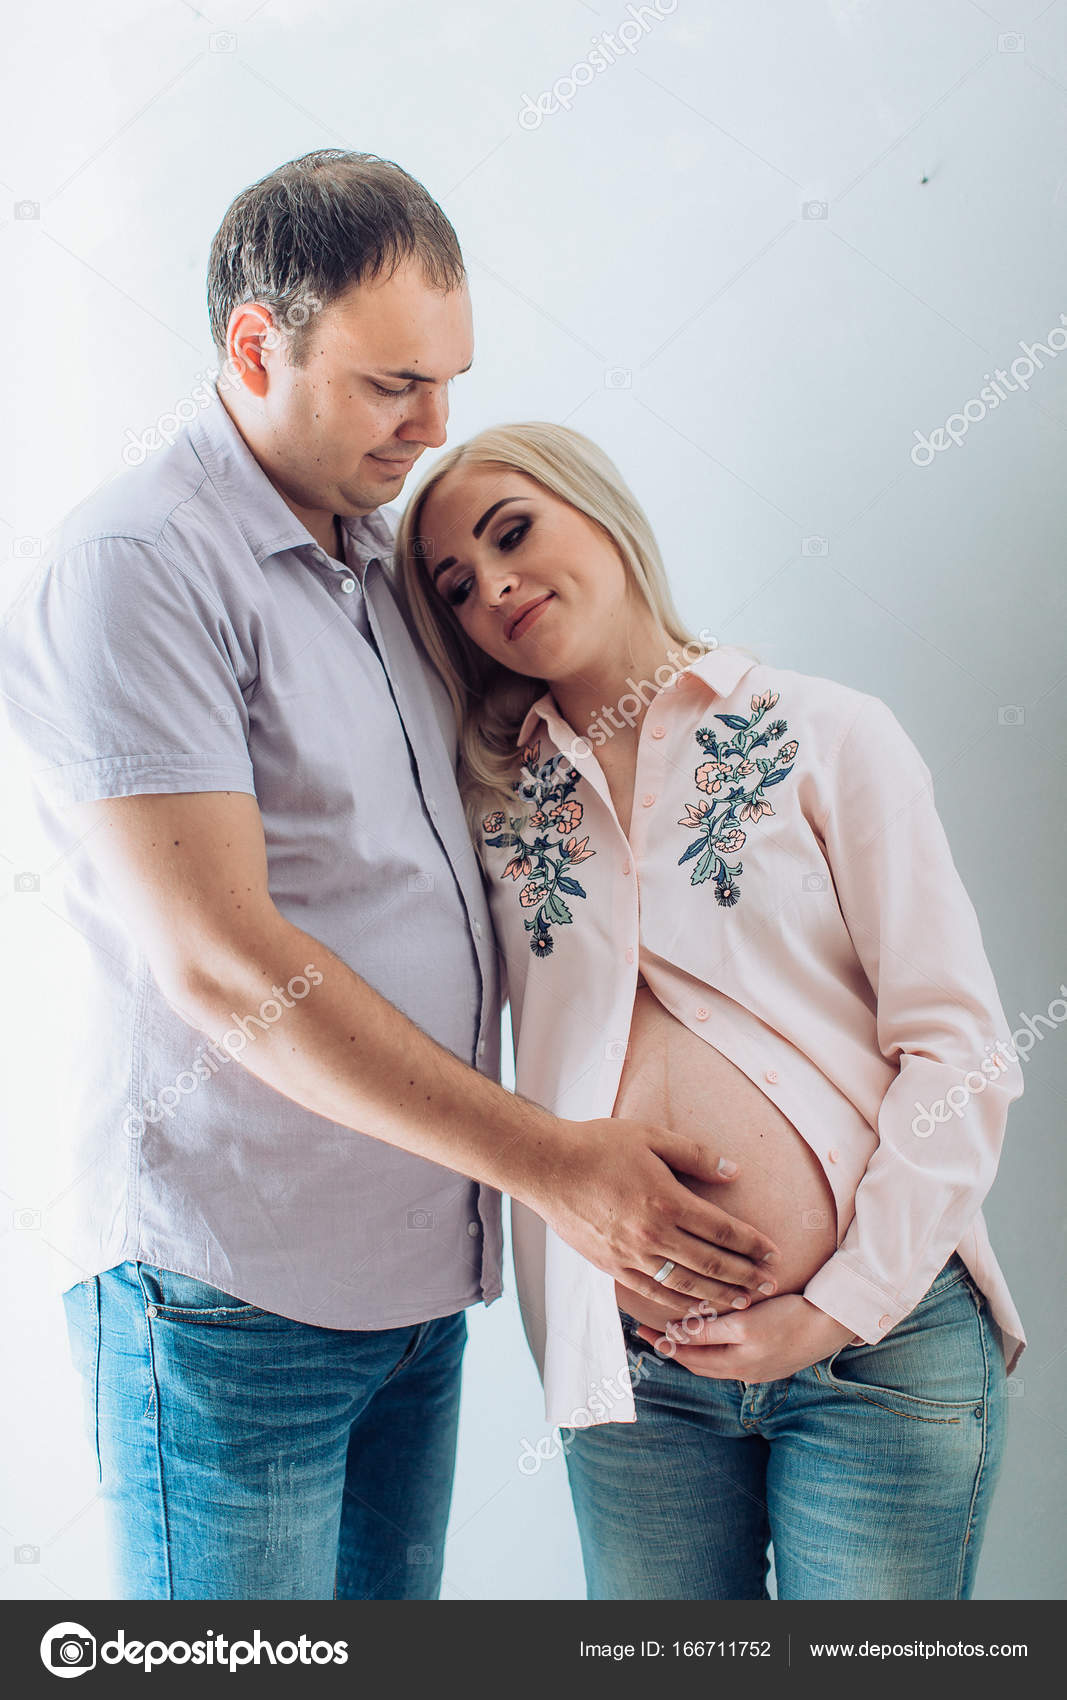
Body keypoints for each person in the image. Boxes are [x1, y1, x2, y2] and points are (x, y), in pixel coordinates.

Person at [0, 153, 779, 1601]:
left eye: (449, 380)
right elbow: (227, 964)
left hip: (415, 1289)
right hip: (230, 1292)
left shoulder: (384, 559)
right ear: (254, 346)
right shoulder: (138, 564)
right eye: (390, 385)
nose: (432, 427)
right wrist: (554, 1167)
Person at [395, 420, 1027, 1600]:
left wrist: (830, 1309)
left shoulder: (825, 732)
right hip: (636, 1380)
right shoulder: (488, 809)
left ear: (599, 509)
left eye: (512, 532)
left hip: (877, 1353)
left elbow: (956, 1050)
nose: (494, 586)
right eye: (456, 586)